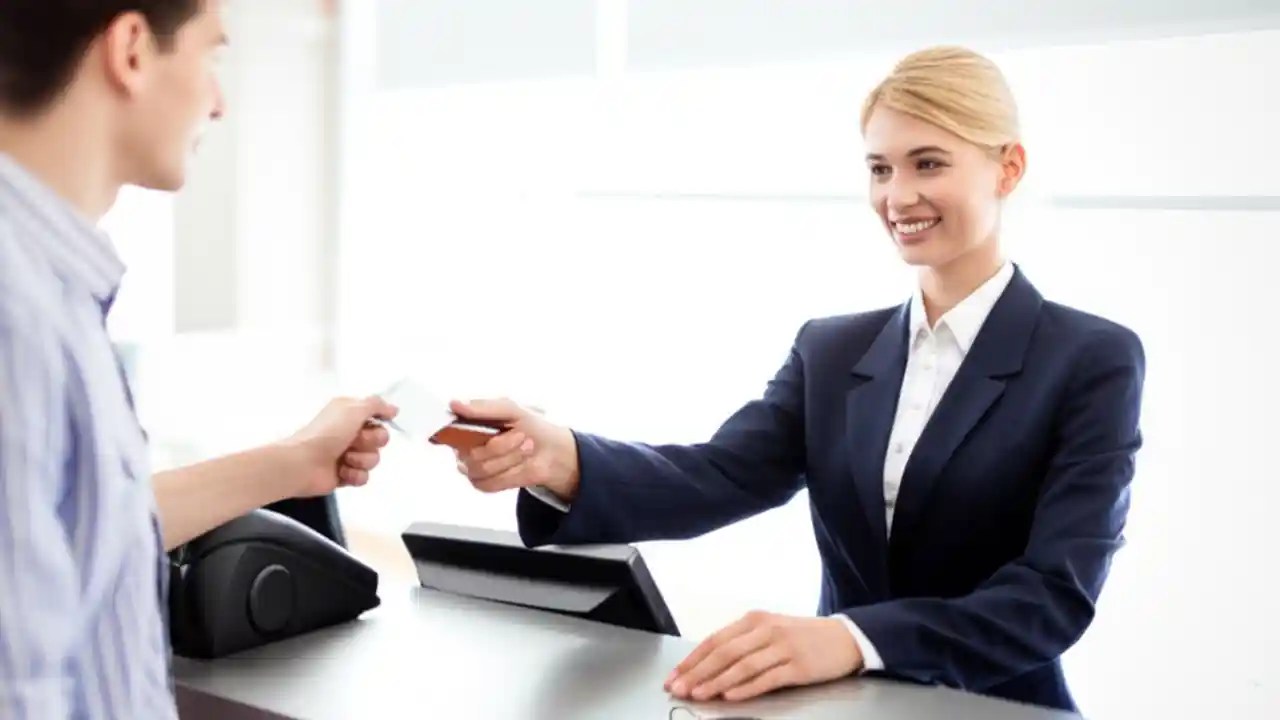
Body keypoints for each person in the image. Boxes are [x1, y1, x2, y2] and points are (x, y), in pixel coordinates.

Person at [451, 45, 1145, 713]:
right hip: (843, 712)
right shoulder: (832, 350)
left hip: (999, 712)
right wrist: (556, 457)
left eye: (927, 163)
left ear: (1009, 169)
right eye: (879, 169)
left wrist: (850, 638)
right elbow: (716, 478)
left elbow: (1053, 595)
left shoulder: (1091, 359)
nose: (898, 195)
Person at [0, 1, 396, 717]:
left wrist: (294, 462)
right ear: (130, 51)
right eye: (211, 57)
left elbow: (72, 529)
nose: (219, 102)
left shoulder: (46, 285)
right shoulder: (17, 311)